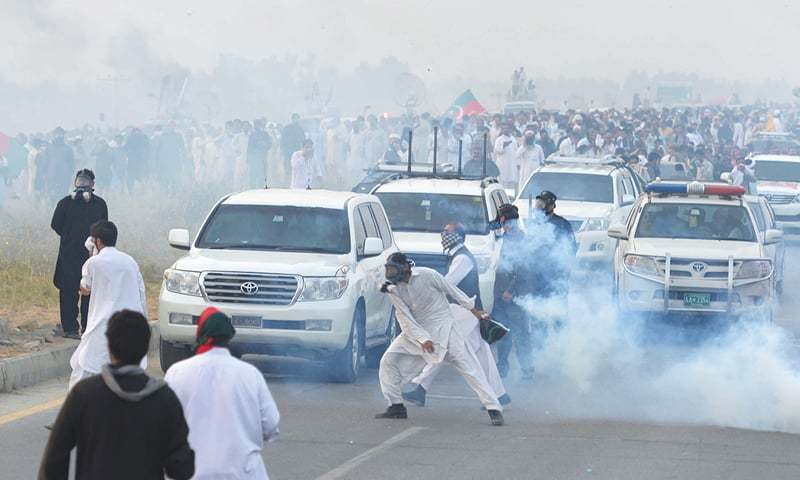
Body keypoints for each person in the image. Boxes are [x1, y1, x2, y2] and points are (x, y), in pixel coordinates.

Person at [39, 309, 195, 480]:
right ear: (146, 348)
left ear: (108, 346)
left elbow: (54, 459)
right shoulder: (163, 399)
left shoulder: (84, 394)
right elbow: (181, 468)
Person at [375, 252, 504, 426]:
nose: (390, 273)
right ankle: (396, 406)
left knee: (470, 367)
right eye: (388, 269)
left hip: (446, 330)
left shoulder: (428, 275)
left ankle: (494, 408)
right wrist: (423, 339)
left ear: (405, 268)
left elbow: (453, 291)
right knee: (388, 361)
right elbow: (404, 317)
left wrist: (475, 310)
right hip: (416, 333)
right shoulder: (393, 289)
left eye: (393, 269)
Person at [165, 307, 280, 480]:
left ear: (200, 333)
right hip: (243, 474)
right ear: (228, 337)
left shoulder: (176, 373)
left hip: (192, 474)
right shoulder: (250, 374)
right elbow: (271, 426)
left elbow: (164, 427)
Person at [403, 223, 509, 408]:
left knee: (443, 347)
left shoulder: (462, 259)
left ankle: (420, 387)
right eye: (443, 231)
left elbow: (447, 284)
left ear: (458, 236)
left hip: (464, 313)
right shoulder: (458, 256)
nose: (443, 234)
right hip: (466, 312)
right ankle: (498, 395)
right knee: (480, 353)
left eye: (448, 232)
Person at [69, 220, 147, 390]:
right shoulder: (130, 261)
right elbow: (141, 293)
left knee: (85, 371)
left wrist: (91, 254)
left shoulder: (93, 263)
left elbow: (85, 289)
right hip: (130, 324)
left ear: (96, 241)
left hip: (102, 324)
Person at [50, 169, 108, 338]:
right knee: (68, 292)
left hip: (90, 257)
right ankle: (70, 328)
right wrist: (69, 237)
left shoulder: (99, 204)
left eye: (86, 182)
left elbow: (104, 227)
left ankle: (86, 327)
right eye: (80, 181)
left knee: (88, 292)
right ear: (75, 183)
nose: (82, 185)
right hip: (71, 255)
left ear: (93, 185)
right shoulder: (65, 203)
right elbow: (55, 224)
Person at [491, 204, 534, 380]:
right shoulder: (507, 237)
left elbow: (522, 271)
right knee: (502, 332)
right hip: (502, 295)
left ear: (504, 219)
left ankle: (527, 370)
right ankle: (502, 367)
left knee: (520, 333)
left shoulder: (518, 240)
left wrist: (511, 291)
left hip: (514, 296)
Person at [247, 118, 273, 187]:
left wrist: (264, 145)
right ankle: (252, 188)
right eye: (255, 124)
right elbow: (249, 147)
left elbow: (270, 144)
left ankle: (261, 188)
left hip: (262, 157)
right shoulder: (252, 135)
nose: (257, 126)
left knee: (262, 174)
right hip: (254, 158)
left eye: (258, 124)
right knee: (253, 174)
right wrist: (248, 158)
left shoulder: (265, 134)